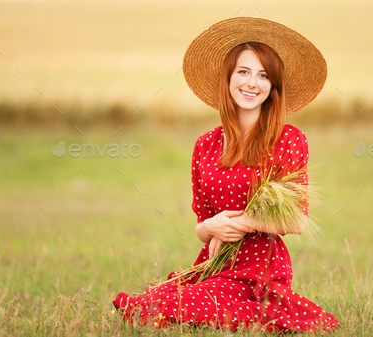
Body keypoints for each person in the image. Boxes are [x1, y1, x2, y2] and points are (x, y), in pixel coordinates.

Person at [113, 16, 339, 333]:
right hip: (212, 264)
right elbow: (203, 228)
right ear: (228, 79)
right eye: (243, 72)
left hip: (260, 266)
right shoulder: (205, 145)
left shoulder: (287, 140)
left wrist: (237, 224)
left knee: (171, 307)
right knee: (146, 303)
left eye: (263, 75)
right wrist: (210, 226)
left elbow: (297, 220)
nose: (252, 83)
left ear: (273, 87)